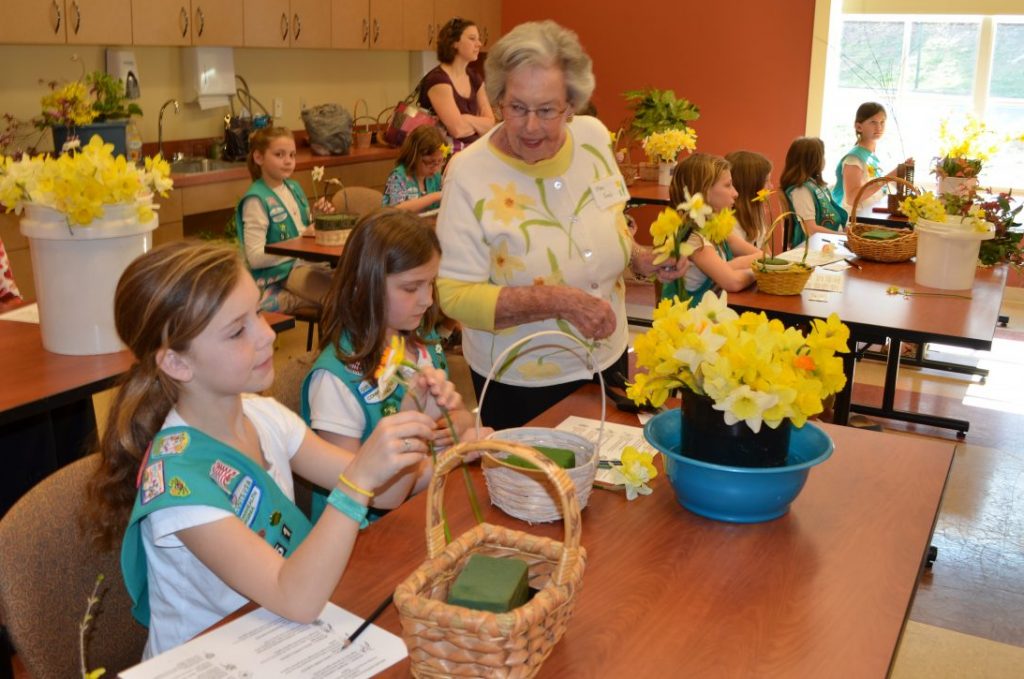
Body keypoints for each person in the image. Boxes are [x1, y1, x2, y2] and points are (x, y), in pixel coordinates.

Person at [85, 241, 460, 658]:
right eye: (237, 330)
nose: (267, 335)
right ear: (176, 363)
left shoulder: (264, 416)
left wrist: (412, 419)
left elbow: (387, 493)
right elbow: (295, 598)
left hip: (273, 635)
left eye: (259, 313)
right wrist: (357, 483)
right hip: (211, 658)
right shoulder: (178, 482)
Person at [434, 20, 688, 430]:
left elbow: (611, 227)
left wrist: (642, 259)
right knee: (533, 491)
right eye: (516, 107)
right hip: (522, 379)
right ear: (498, 99)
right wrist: (560, 301)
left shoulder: (593, 139)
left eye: (548, 110)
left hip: (609, 357)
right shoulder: (468, 173)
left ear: (571, 104)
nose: (531, 126)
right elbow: (455, 297)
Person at [301, 209, 477, 520]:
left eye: (431, 284)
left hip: (425, 510)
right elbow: (364, 490)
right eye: (411, 288)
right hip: (366, 541)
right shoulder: (336, 379)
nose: (426, 299)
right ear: (363, 285)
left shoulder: (424, 343)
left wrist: (457, 426)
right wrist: (455, 452)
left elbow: (461, 417)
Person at [235, 126, 334, 313]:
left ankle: (291, 300)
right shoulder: (256, 200)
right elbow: (255, 258)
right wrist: (301, 242)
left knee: (356, 286)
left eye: (292, 155)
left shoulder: (294, 188)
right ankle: (277, 297)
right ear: (259, 158)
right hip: (283, 272)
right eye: (279, 155)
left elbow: (301, 230)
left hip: (307, 264)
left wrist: (319, 220)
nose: (288, 161)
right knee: (339, 298)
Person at [662, 153, 762, 304]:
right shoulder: (692, 238)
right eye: (728, 185)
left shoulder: (714, 227)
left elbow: (762, 255)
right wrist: (759, 271)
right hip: (691, 322)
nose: (735, 193)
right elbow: (732, 282)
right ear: (704, 192)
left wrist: (729, 266)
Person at [419, 17, 495, 152]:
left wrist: (465, 119)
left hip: (471, 155)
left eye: (478, 39)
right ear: (454, 43)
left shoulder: (474, 78)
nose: (479, 44)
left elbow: (490, 125)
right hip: (439, 161)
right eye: (472, 39)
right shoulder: (438, 79)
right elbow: (457, 130)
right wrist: (477, 123)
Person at [832, 101, 912, 214]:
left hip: (873, 215)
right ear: (859, 127)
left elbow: (879, 190)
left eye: (882, 122)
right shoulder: (853, 159)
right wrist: (888, 177)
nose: (879, 127)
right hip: (855, 220)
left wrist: (902, 171)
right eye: (873, 122)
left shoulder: (874, 155)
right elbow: (852, 198)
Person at [781, 137, 849, 247]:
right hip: (814, 247)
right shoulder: (801, 190)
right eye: (822, 156)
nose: (824, 160)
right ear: (813, 161)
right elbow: (811, 229)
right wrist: (842, 236)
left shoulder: (816, 185)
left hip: (828, 242)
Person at [382, 125, 448, 213]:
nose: (435, 168)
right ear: (413, 156)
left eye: (440, 162)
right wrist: (433, 197)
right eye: (429, 162)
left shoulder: (436, 177)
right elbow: (396, 209)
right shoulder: (398, 177)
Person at [724, 150, 773, 248]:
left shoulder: (757, 212)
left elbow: (765, 252)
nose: (771, 186)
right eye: (766, 181)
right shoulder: (731, 225)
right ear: (749, 186)